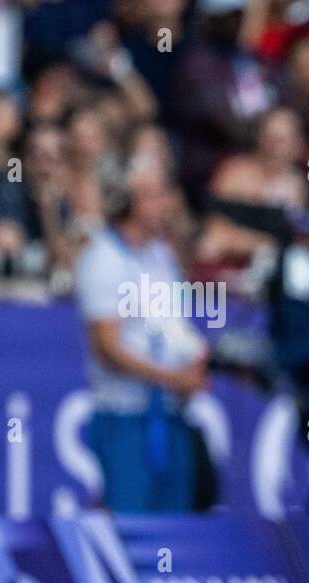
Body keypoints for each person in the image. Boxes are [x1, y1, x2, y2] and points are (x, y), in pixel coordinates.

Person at [76, 160, 210, 513]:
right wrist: (172, 377)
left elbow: (172, 327)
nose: (163, 205)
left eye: (164, 194)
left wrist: (197, 358)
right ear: (127, 203)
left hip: (171, 415)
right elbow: (107, 347)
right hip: (127, 419)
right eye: (151, 197)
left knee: (176, 525)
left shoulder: (161, 255)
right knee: (130, 522)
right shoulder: (102, 258)